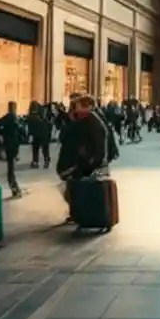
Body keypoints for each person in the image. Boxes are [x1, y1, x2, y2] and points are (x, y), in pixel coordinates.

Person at [57, 95, 110, 224]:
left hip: (89, 164)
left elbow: (97, 146)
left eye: (78, 107)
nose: (76, 110)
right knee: (72, 187)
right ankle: (78, 212)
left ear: (88, 107)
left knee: (73, 187)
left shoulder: (91, 122)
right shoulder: (87, 120)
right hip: (87, 163)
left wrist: (92, 162)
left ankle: (80, 212)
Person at [0, 102, 24, 198]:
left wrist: (0, 135)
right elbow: (19, 134)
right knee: (11, 170)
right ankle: (15, 189)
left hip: (9, 145)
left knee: (11, 169)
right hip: (12, 146)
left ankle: (15, 189)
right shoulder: (13, 118)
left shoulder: (8, 117)